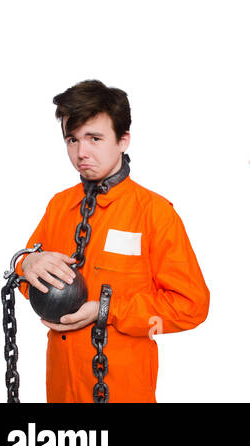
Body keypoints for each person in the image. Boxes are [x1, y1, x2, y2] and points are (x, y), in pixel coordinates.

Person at [17, 80, 211, 403]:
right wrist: (27, 263)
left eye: (95, 138)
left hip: (123, 393)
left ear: (123, 141)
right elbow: (28, 280)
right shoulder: (59, 207)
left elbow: (192, 306)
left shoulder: (154, 214)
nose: (81, 153)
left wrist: (107, 311)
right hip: (62, 395)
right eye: (72, 140)